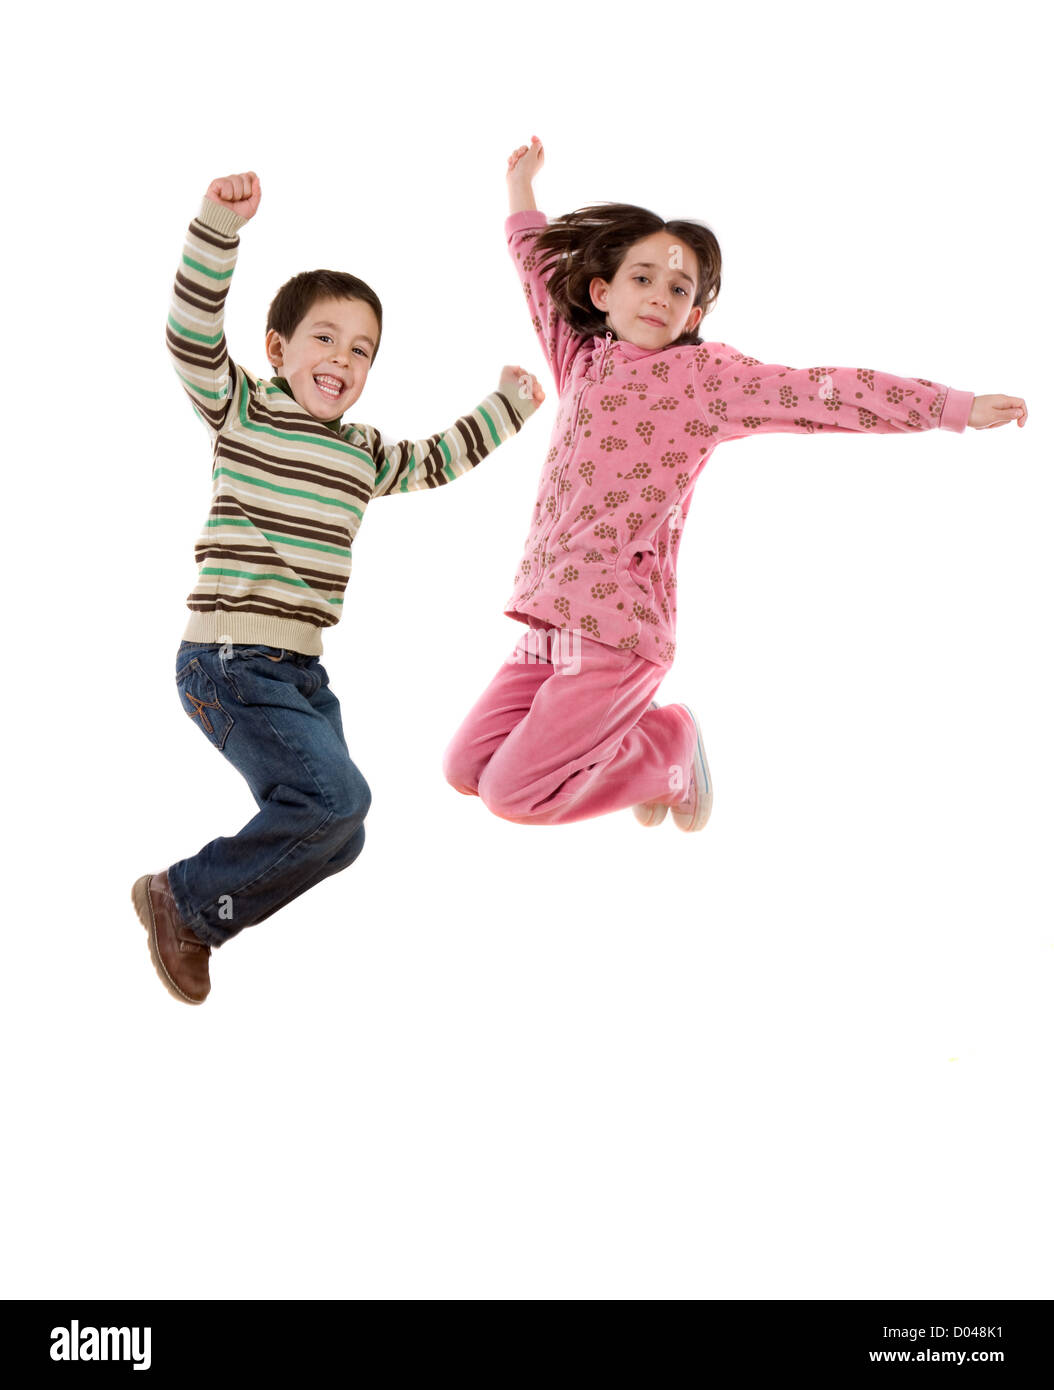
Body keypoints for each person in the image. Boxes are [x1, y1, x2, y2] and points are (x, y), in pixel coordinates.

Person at [443, 136, 1027, 832]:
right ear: (603, 292)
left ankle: (666, 748)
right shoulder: (580, 360)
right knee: (464, 770)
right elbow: (537, 274)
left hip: (618, 630)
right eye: (643, 278)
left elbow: (825, 393)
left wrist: (952, 407)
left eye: (679, 288)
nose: (660, 295)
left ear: (693, 316)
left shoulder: (704, 381)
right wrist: (520, 190)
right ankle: (633, 751)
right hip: (550, 616)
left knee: (515, 795)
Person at [132, 171, 544, 1005]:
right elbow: (188, 336)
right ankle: (182, 900)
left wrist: (507, 405)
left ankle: (191, 901)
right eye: (325, 340)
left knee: (340, 833)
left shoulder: (362, 450)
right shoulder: (242, 407)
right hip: (227, 658)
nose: (343, 360)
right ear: (279, 350)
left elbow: (436, 460)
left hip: (301, 674)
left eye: (361, 350)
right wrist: (219, 226)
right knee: (336, 799)